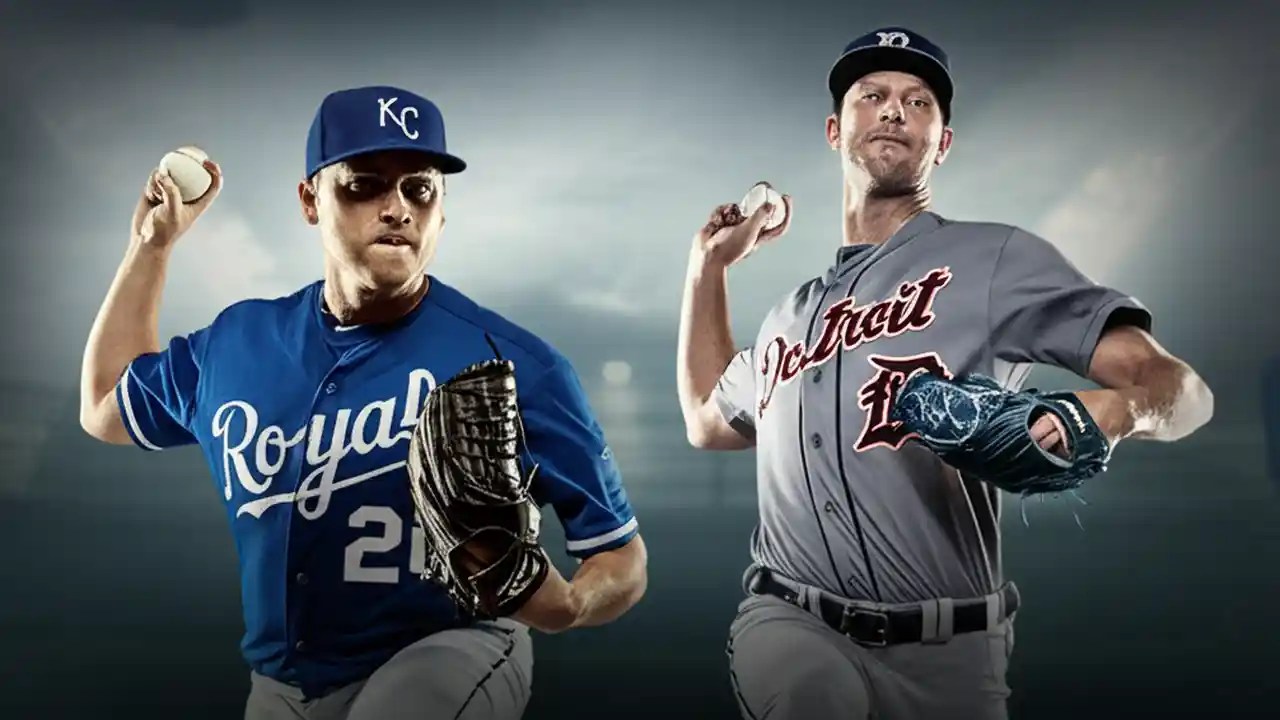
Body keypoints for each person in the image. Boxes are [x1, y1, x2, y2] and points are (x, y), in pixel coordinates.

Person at [676, 27, 1214, 720]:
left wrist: (1110, 415)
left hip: (952, 651)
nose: (895, 109)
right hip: (791, 619)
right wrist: (707, 267)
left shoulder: (993, 259)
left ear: (943, 141)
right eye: (873, 95)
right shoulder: (789, 318)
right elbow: (705, 422)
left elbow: (1184, 393)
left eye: (918, 100)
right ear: (837, 130)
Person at [79, 85, 648, 720]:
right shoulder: (238, 344)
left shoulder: (516, 363)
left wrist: (572, 604)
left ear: (442, 207)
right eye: (364, 185)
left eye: (419, 189)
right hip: (280, 682)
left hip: (450, 649)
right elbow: (105, 404)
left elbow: (620, 554)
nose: (396, 207)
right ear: (309, 200)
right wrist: (152, 245)